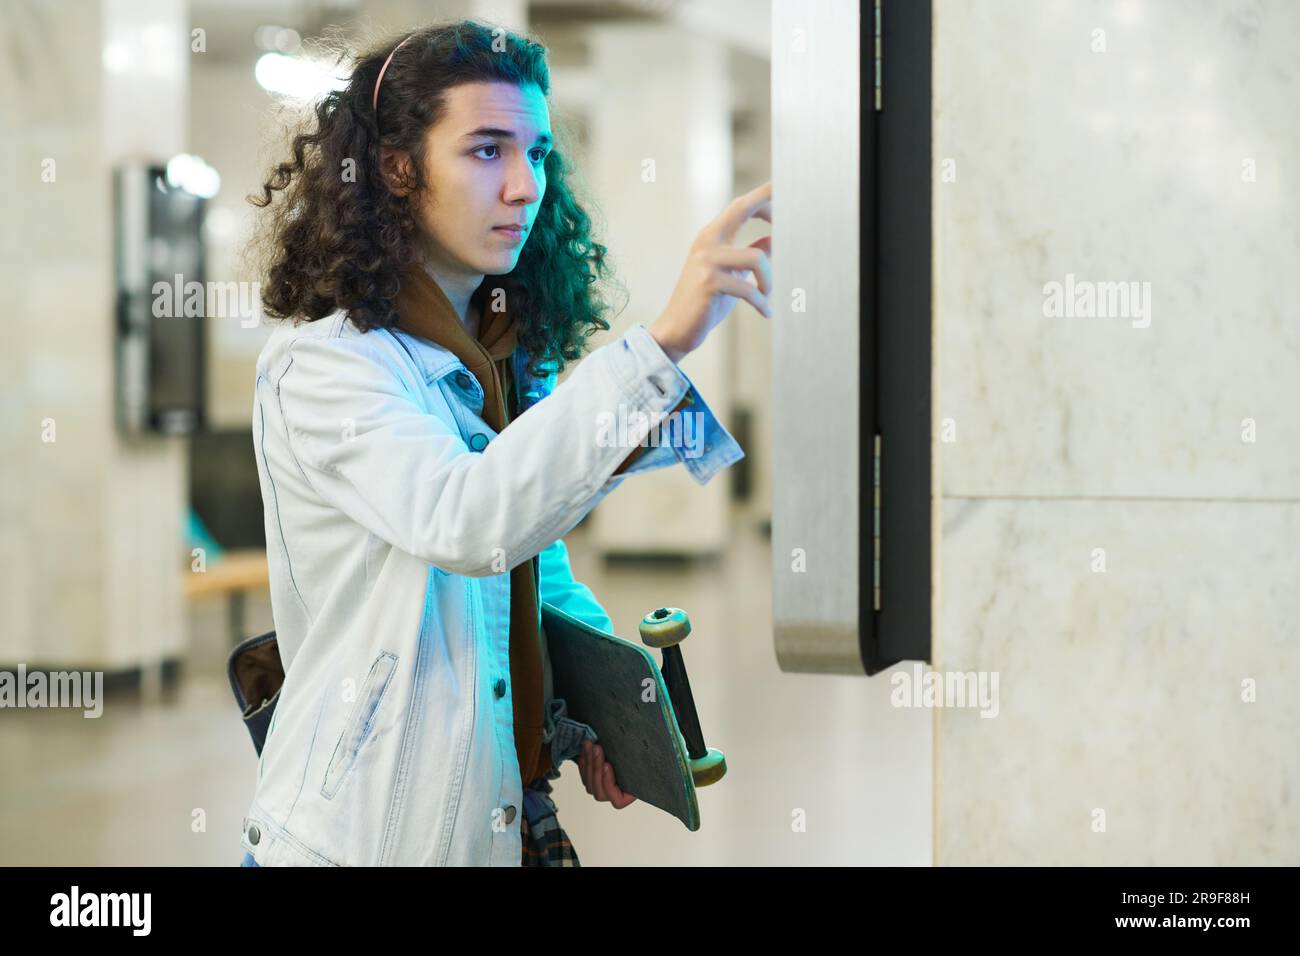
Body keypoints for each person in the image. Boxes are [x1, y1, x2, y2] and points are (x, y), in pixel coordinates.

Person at [237, 18, 772, 867]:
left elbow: (533, 554)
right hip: (364, 843)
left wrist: (601, 703)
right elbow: (469, 519)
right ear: (396, 169)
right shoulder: (323, 367)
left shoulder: (501, 353)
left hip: (503, 818)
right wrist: (661, 343)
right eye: (487, 151)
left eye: (538, 153)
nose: (526, 186)